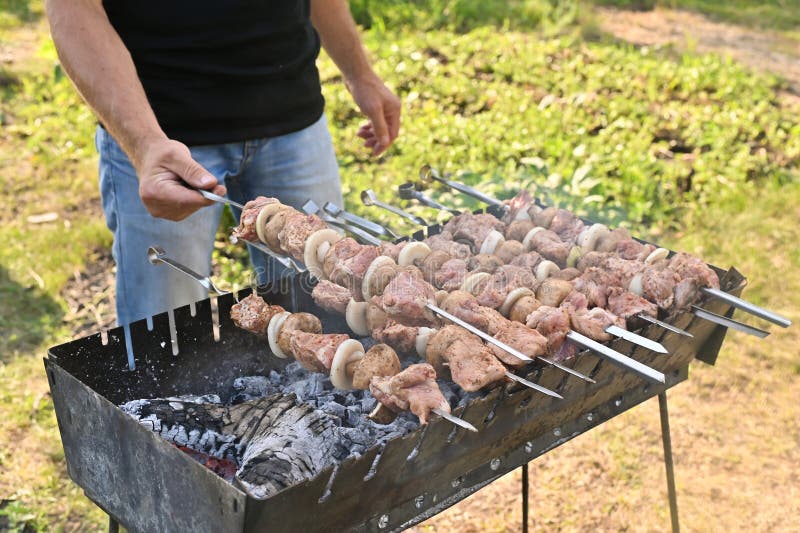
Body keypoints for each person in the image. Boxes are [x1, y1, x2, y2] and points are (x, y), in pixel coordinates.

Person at [45, 0, 401, 327]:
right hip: (164, 137)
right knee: (167, 334)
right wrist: (145, 144)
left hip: (294, 115)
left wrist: (360, 73)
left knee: (327, 308)